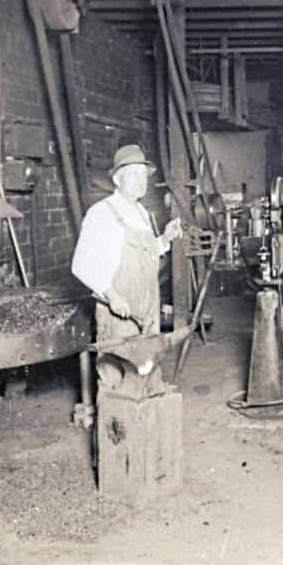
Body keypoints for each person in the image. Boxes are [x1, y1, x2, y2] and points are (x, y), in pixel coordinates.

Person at [72, 145, 183, 385]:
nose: (140, 181)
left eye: (143, 175)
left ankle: (148, 420)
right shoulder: (102, 213)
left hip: (148, 310)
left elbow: (147, 252)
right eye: (132, 174)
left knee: (149, 373)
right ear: (117, 178)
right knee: (118, 379)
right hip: (120, 313)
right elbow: (80, 264)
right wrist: (111, 295)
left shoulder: (141, 212)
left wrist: (165, 238)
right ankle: (117, 423)